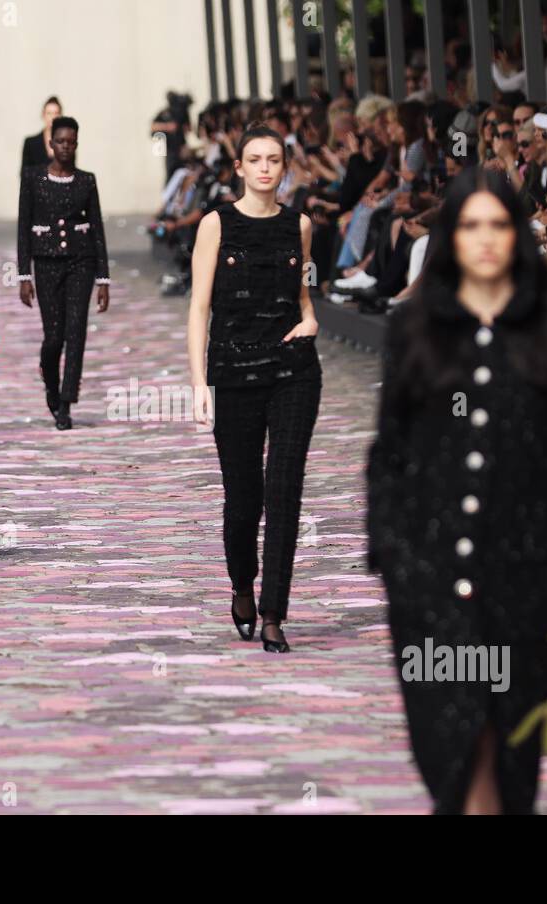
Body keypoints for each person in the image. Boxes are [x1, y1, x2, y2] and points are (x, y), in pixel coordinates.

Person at [366, 166, 547, 814]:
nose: (485, 240)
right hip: (427, 583)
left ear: (518, 233)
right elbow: (388, 454)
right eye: (471, 225)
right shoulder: (415, 328)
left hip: (521, 579)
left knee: (510, 753)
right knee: (450, 749)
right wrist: (392, 557)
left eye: (499, 225)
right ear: (452, 235)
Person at [187, 123, 323, 654]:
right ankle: (242, 586)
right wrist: (198, 381)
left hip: (293, 370)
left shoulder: (301, 226)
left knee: (284, 490)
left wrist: (310, 321)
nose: (265, 168)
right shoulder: (215, 225)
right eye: (255, 159)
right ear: (239, 167)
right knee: (244, 501)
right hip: (233, 369)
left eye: (274, 159)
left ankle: (273, 613)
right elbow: (200, 307)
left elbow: (305, 294)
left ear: (284, 168)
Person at [16, 116, 110, 429]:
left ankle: (67, 402)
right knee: (54, 337)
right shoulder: (33, 178)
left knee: (76, 331)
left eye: (71, 142)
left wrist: (103, 278)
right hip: (45, 263)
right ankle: (51, 383)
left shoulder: (86, 180)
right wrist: (23, 275)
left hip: (81, 262)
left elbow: (97, 229)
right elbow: (23, 227)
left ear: (77, 144)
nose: (66, 147)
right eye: (61, 142)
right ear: (51, 143)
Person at [21, 96, 62, 172]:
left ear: (60, 116)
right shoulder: (30, 143)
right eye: (49, 113)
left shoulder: (67, 144)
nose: (53, 117)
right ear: (43, 115)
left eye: (56, 113)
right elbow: (24, 174)